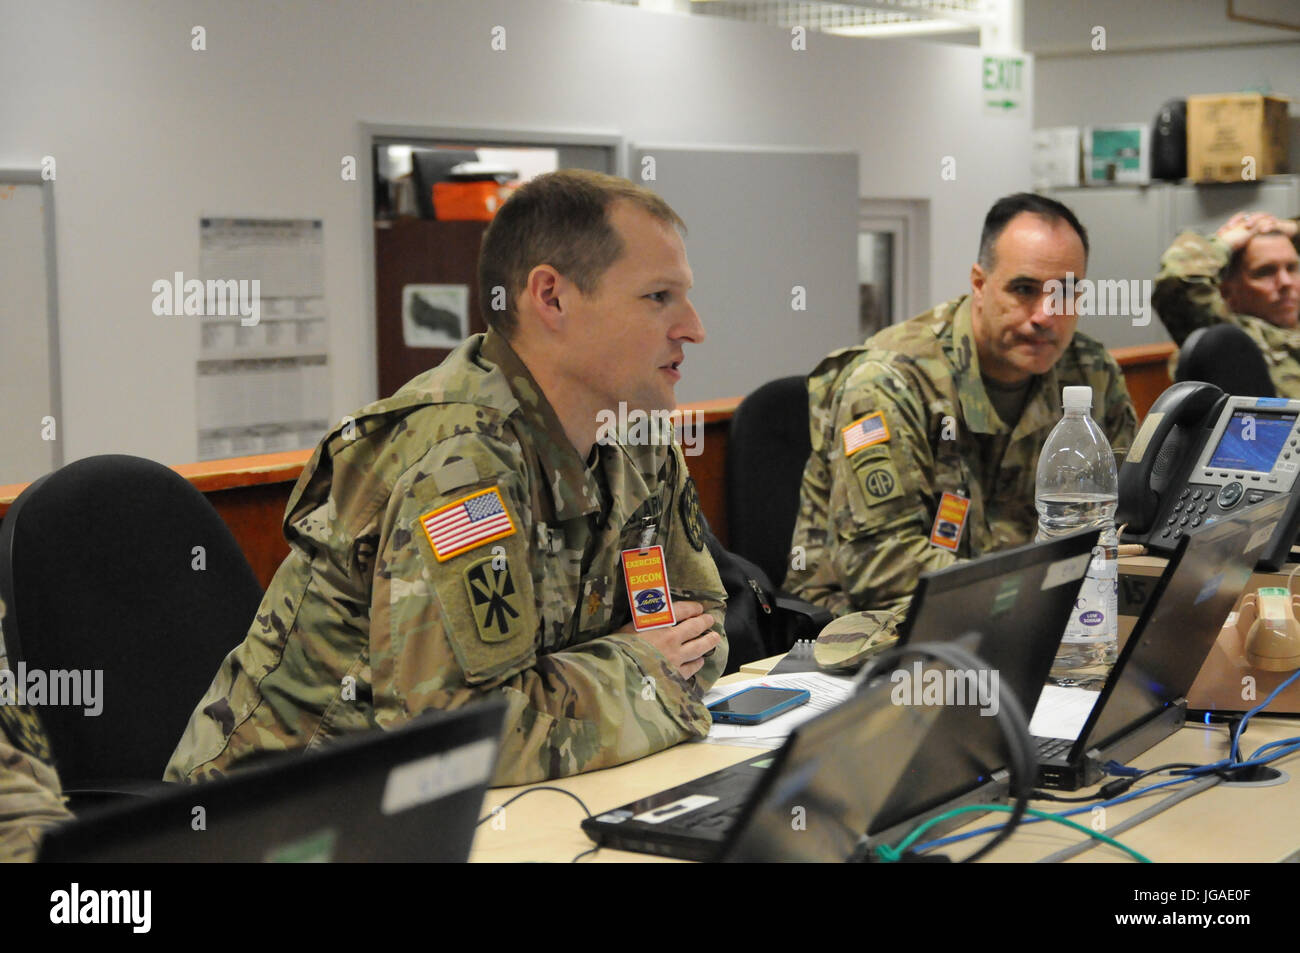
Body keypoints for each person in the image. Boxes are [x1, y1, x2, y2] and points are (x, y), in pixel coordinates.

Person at [166, 170, 727, 786]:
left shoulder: (637, 431)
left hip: (481, 807)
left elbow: (701, 629)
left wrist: (578, 691)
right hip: (282, 822)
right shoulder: (460, 463)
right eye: (658, 298)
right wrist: (638, 670)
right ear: (551, 297)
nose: (693, 327)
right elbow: (457, 739)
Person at [787, 193, 1138, 670]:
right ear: (979, 283)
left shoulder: (1088, 373)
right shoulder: (892, 380)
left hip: (1033, 628)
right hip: (867, 641)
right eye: (1023, 289)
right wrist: (1035, 594)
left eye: (1065, 293)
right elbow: (881, 566)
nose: (1045, 316)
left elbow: (1129, 519)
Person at [1154, 212, 1300, 395]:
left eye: (1292, 268)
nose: (1286, 282)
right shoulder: (1234, 344)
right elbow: (1180, 281)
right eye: (1265, 272)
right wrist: (1222, 243)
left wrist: (1290, 228)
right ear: (1227, 291)